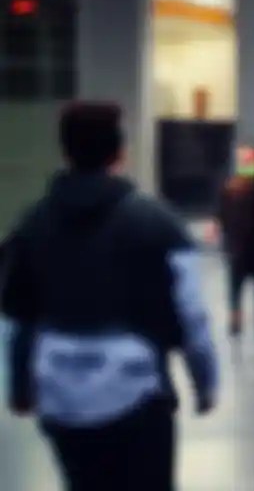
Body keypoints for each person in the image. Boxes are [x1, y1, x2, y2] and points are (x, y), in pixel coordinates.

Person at [0, 102, 218, 491]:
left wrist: (19, 387)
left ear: (66, 152)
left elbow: (17, 317)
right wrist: (204, 381)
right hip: (139, 394)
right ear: (120, 152)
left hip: (61, 393)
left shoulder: (31, 225)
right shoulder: (158, 224)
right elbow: (191, 314)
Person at [214, 145, 254, 338]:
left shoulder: (230, 188)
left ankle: (236, 318)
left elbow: (221, 215)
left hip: (237, 245)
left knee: (235, 284)